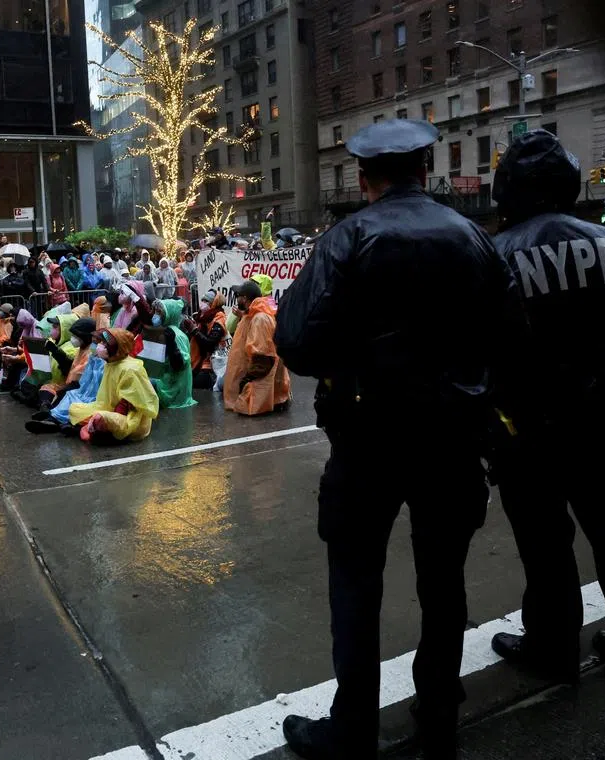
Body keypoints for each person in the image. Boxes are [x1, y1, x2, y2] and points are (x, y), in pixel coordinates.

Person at [274, 119, 519, 759]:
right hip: (452, 440)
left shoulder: (347, 238)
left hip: (368, 441)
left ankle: (353, 726)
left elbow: (296, 341)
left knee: (356, 584)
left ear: (364, 177)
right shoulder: (473, 237)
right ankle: (438, 712)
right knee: (444, 581)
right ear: (425, 170)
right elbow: (509, 335)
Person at [487, 130, 605, 682]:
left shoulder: (495, 256)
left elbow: (481, 353)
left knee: (545, 546)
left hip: (528, 431)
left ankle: (551, 647)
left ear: (507, 189)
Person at [68, 327, 160, 443]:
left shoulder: (130, 369)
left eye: (104, 343)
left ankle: (93, 432)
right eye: (101, 342)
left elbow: (127, 405)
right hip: (108, 409)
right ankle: (91, 430)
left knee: (99, 418)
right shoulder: (111, 363)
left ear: (117, 347)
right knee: (74, 408)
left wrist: (107, 417)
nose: (100, 345)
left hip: (129, 418)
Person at [224, 280, 290, 416]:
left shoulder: (260, 319)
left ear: (245, 298)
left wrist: (247, 380)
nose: (237, 299)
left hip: (260, 393)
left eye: (239, 296)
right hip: (257, 383)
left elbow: (263, 357)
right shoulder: (252, 315)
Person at [32, 316, 96, 420]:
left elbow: (79, 373)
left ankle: (51, 416)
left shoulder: (91, 350)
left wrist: (58, 354)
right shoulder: (82, 347)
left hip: (80, 388)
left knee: (64, 395)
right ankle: (46, 408)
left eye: (76, 335)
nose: (73, 338)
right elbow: (71, 367)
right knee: (44, 389)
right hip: (67, 383)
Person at [147, 299, 197, 408]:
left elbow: (180, 364)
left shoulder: (176, 335)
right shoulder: (164, 331)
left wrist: (172, 346)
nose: (155, 315)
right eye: (155, 311)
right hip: (166, 379)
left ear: (169, 314)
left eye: (159, 312)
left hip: (173, 386)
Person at [185, 289, 227, 389]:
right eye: (203, 300)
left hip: (208, 366)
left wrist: (194, 330)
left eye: (206, 301)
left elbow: (210, 344)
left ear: (214, 303)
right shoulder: (202, 317)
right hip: (198, 363)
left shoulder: (219, 318)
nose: (203, 304)